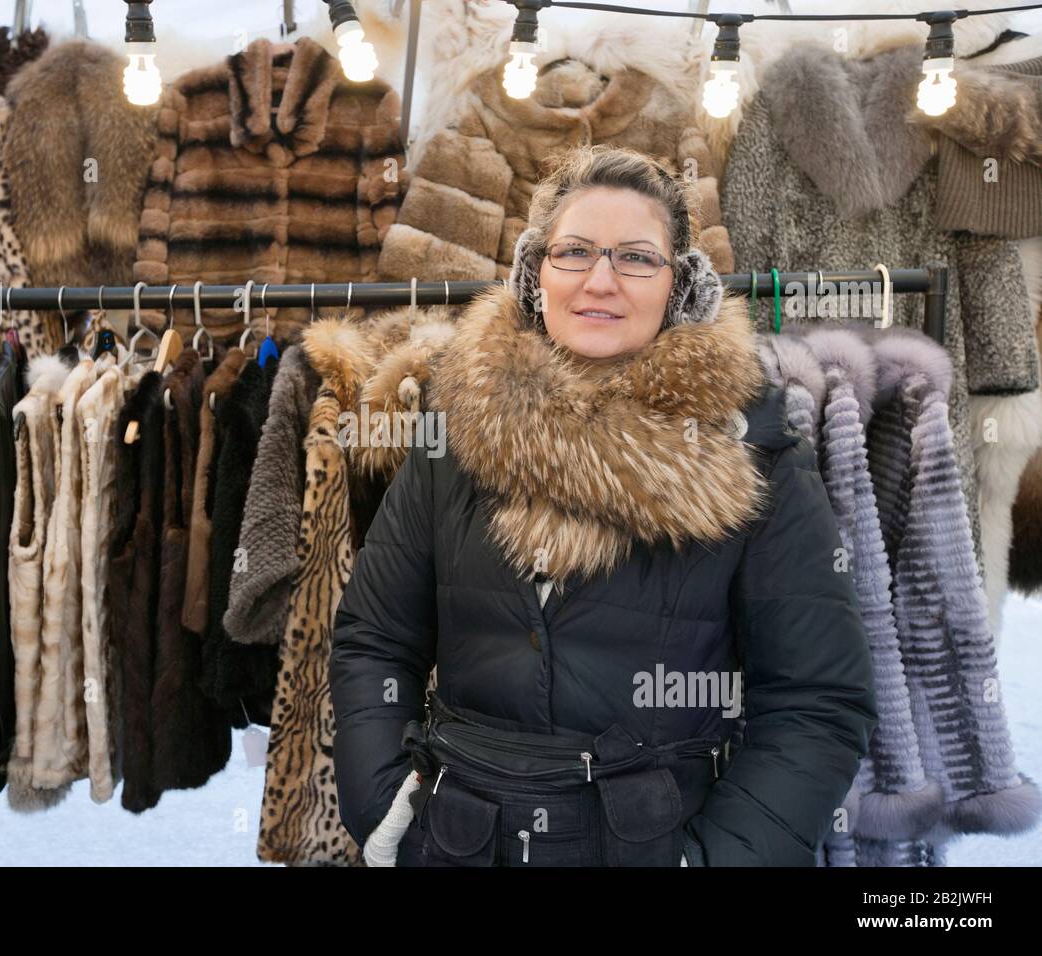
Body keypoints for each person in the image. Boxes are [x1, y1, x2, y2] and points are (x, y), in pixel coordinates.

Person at [329, 144, 879, 867]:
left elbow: (815, 701)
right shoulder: (453, 432)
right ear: (536, 274)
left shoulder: (755, 453)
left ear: (681, 288)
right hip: (459, 841)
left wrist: (716, 860)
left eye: (636, 258)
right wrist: (382, 804)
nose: (600, 281)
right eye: (575, 252)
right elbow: (375, 638)